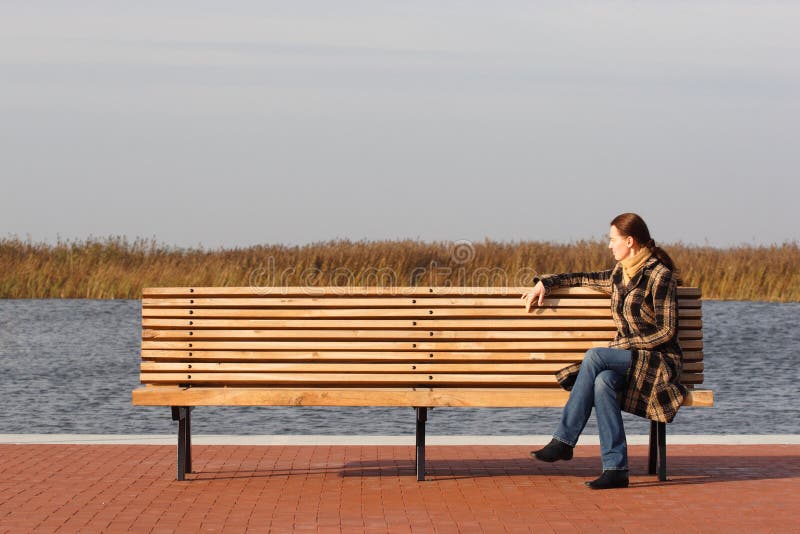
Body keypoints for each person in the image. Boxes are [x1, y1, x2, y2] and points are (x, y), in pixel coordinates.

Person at [520, 213, 686, 490]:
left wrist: (621, 345)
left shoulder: (660, 275)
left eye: (613, 240)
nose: (609, 246)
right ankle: (616, 469)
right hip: (630, 362)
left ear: (629, 241)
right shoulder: (620, 274)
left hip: (659, 362)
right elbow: (581, 278)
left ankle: (563, 440)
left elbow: (666, 331)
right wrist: (545, 283)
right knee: (602, 381)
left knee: (596, 356)